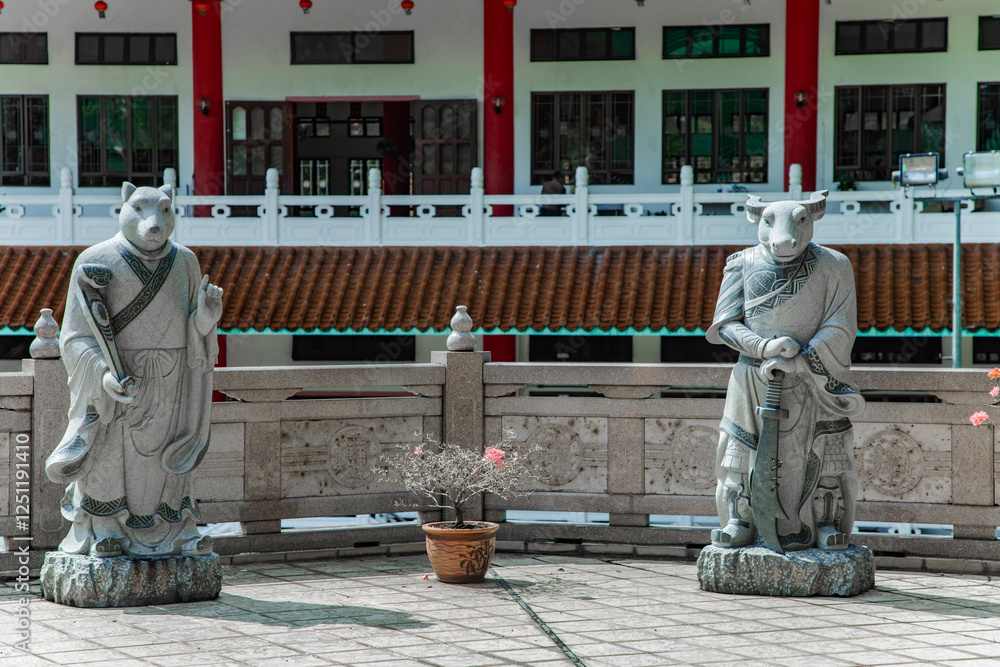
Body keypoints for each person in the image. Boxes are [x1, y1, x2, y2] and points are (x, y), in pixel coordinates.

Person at [45, 182, 223, 558]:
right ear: (124, 206)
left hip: (173, 377)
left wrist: (206, 322)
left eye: (163, 210)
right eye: (140, 209)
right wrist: (102, 375)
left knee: (169, 456)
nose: (153, 222)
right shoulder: (96, 259)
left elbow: (195, 326)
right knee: (110, 450)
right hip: (119, 377)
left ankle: (177, 530)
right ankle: (104, 527)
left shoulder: (186, 262)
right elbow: (74, 336)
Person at [705, 193, 865, 552]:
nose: (785, 236)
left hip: (815, 381)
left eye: (798, 221)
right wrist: (764, 347)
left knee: (826, 453)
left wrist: (801, 361)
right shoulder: (741, 263)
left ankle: (825, 522)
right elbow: (725, 325)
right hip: (753, 378)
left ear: (811, 220)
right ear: (758, 221)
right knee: (741, 453)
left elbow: (841, 327)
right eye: (771, 222)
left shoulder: (835, 265)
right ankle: (741, 520)